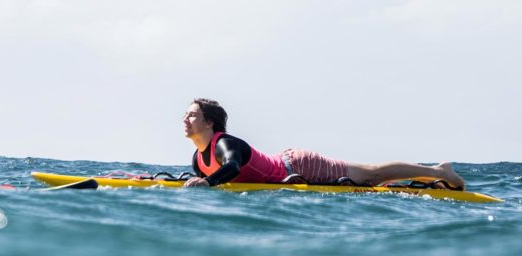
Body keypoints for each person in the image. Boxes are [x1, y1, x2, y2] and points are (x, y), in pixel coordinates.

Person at [181, 98, 466, 190]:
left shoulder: (225, 144)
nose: (185, 118)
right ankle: (433, 181)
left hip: (297, 165)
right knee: (368, 183)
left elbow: (232, 166)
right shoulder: (198, 158)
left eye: (192, 114)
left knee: (370, 175)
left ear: (209, 123)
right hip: (286, 168)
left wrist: (206, 184)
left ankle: (440, 172)